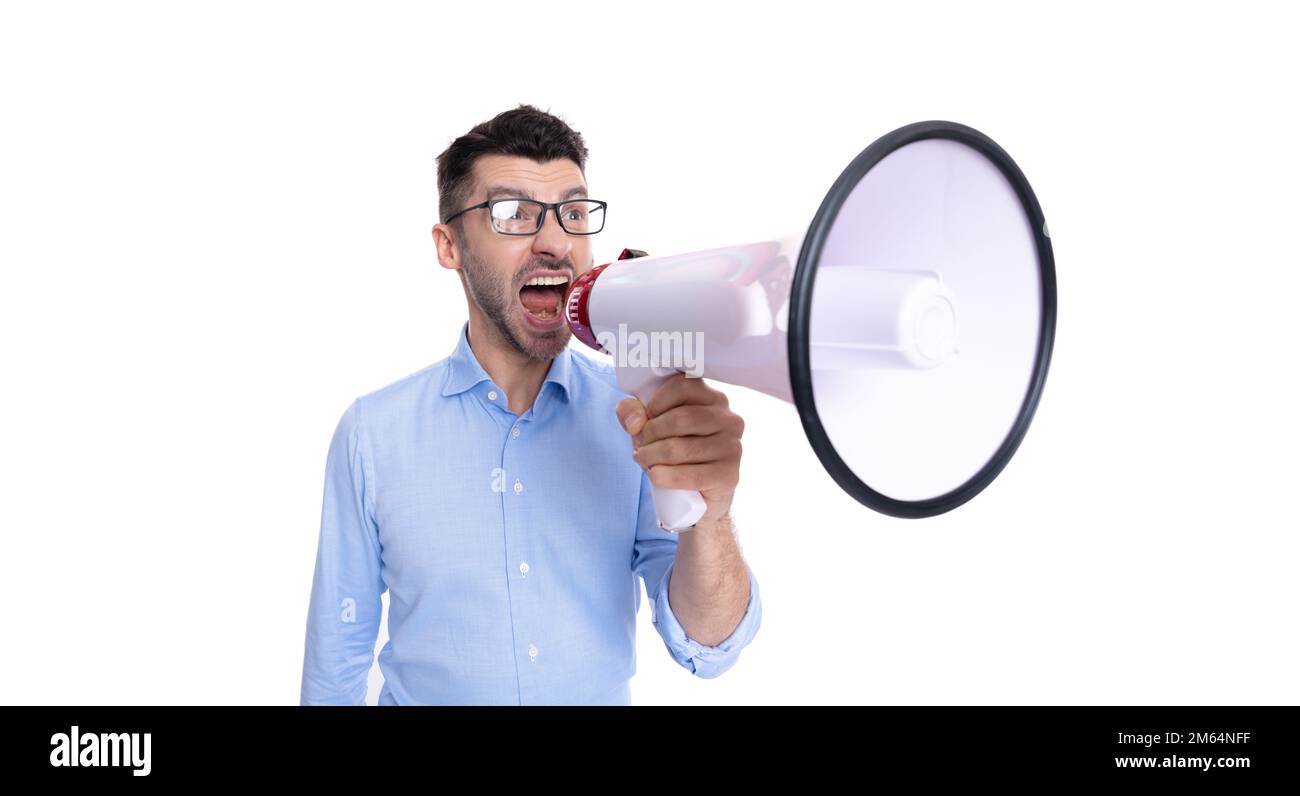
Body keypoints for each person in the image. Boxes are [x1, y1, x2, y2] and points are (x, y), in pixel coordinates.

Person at [300, 104, 761, 705]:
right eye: (513, 214)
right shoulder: (372, 434)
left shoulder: (639, 415)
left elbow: (707, 643)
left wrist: (711, 514)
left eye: (573, 213)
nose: (554, 242)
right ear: (450, 246)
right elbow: (337, 663)